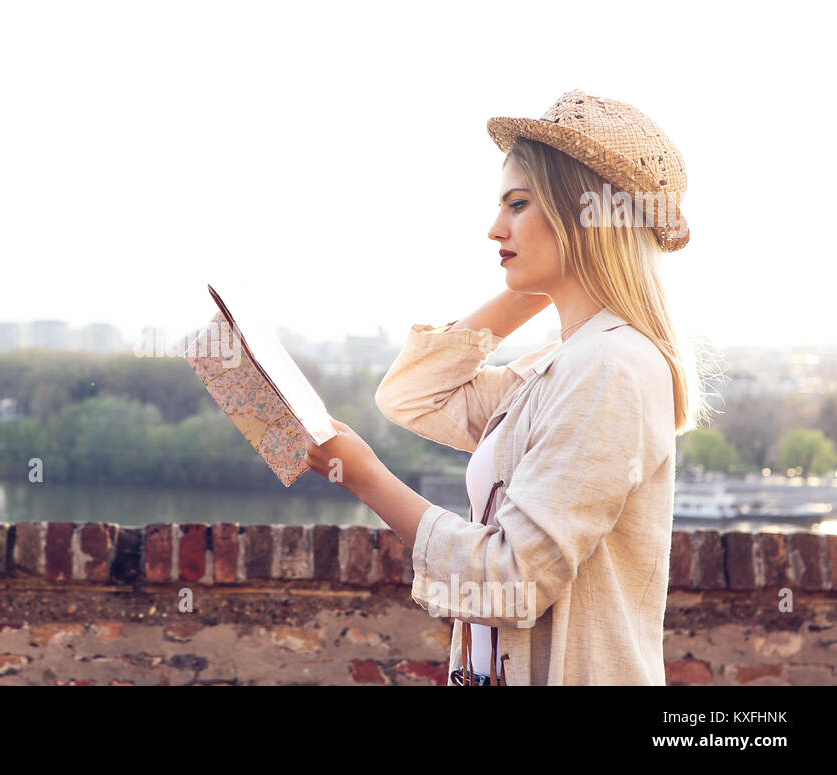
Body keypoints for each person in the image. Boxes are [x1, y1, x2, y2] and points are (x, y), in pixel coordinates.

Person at [304, 89, 712, 685]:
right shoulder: (565, 363)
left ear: (585, 215)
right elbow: (414, 394)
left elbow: (513, 582)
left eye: (517, 205)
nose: (495, 228)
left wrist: (364, 476)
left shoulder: (607, 367)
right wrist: (544, 276)